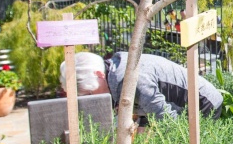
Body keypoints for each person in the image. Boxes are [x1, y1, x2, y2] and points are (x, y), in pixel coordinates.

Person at [59, 51, 223, 119]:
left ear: (99, 75)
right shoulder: (113, 70)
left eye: (89, 93)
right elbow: (145, 113)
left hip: (203, 103)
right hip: (177, 105)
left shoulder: (130, 80)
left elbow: (166, 118)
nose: (91, 98)